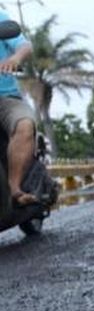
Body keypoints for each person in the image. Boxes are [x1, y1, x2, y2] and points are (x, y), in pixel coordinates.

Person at [0, 12, 35, 207]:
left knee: (24, 124)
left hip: (5, 97)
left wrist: (16, 58)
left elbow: (25, 45)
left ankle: (15, 189)